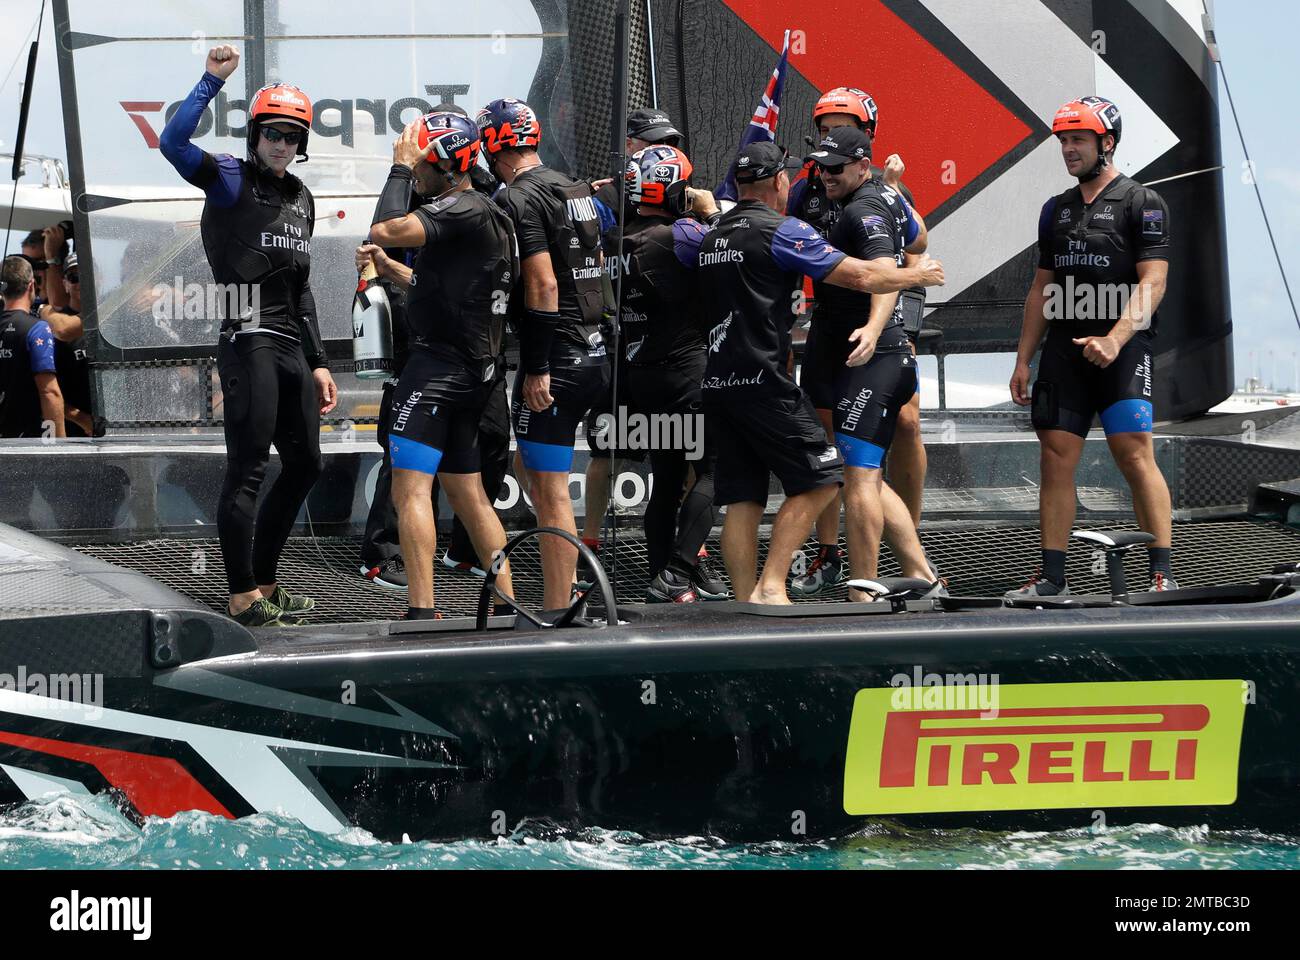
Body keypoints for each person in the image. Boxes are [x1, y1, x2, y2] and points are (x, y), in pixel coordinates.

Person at [690, 140, 944, 604]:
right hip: (764, 380)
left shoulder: (712, 234)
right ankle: (771, 586)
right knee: (828, 476)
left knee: (742, 499)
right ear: (779, 182)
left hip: (718, 382)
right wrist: (916, 277)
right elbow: (866, 276)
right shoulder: (783, 230)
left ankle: (747, 605)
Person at [160, 45, 338, 627]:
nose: (281, 144)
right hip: (247, 338)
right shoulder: (232, 180)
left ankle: (264, 581)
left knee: (307, 464)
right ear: (255, 133)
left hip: (291, 345)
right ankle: (240, 595)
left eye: (291, 135)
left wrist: (319, 362)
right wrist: (211, 81)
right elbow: (174, 146)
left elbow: (302, 286)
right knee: (249, 468)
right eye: (272, 133)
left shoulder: (302, 198)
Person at [1007, 96, 1175, 597]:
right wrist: (1022, 358)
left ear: (1107, 143)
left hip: (1124, 350)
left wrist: (1115, 338)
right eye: (1063, 140)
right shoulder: (1054, 209)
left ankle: (1160, 573)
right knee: (1055, 457)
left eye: (1078, 139)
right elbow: (1040, 288)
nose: (1068, 149)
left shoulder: (1143, 202)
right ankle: (1053, 577)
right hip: (1063, 349)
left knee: (1133, 453)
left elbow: (1154, 282)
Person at [363, 112, 517, 619]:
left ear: (446, 165)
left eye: (425, 163)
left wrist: (400, 168)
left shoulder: (459, 207)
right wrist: (391, 271)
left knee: (411, 491)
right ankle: (507, 605)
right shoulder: (483, 213)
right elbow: (444, 291)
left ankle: (422, 610)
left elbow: (384, 228)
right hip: (473, 374)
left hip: (435, 374)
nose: (417, 174)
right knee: (469, 494)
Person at [788, 87, 932, 595]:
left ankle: (895, 559)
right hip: (828, 328)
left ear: (863, 146)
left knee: (889, 439)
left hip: (875, 332)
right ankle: (830, 554)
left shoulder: (878, 196)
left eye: (839, 131)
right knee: (832, 451)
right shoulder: (806, 189)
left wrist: (887, 328)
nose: (826, 155)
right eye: (822, 130)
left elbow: (912, 252)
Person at [479, 97, 612, 611]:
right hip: (594, 349)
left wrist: (536, 367)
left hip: (557, 358)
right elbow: (596, 262)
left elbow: (543, 285)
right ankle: (568, 587)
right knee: (533, 467)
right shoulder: (572, 187)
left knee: (551, 488)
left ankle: (560, 606)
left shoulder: (519, 197)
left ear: (494, 144)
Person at [579, 107, 688, 579]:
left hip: (658, 346)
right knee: (607, 449)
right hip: (618, 341)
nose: (661, 150)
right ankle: (591, 543)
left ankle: (687, 548)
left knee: (679, 454)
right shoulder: (602, 194)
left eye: (668, 142)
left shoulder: (672, 194)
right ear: (630, 144)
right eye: (650, 142)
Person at [616, 145, 725, 602]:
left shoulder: (616, 239)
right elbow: (729, 250)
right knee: (720, 470)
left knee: (667, 478)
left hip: (643, 374)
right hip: (685, 372)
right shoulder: (678, 234)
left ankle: (664, 578)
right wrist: (713, 212)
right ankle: (678, 572)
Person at [38, 251, 101, 437]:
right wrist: (83, 419)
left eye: (87, 275)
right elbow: (45, 390)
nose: (81, 282)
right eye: (74, 277)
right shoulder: (53, 328)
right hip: (77, 434)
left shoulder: (111, 318)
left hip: (117, 429)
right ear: (65, 284)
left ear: (99, 279)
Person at [0, 256, 64, 439]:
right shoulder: (38, 328)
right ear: (31, 285)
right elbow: (49, 392)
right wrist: (62, 449)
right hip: (25, 444)